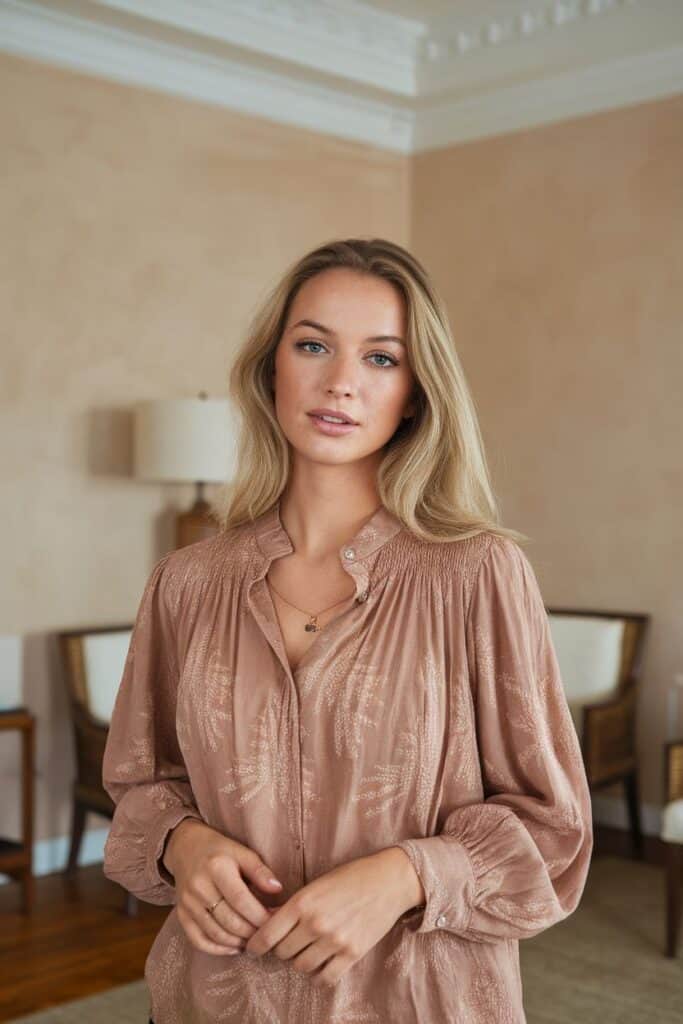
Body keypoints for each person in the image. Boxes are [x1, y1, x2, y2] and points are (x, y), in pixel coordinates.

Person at [102, 237, 593, 1023]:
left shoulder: (476, 574)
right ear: (272, 368)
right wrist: (180, 844)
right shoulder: (185, 582)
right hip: (214, 999)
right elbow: (136, 784)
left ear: (416, 392)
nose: (339, 382)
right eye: (312, 345)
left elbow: (553, 831)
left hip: (417, 1000)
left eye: (380, 358)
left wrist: (406, 875)